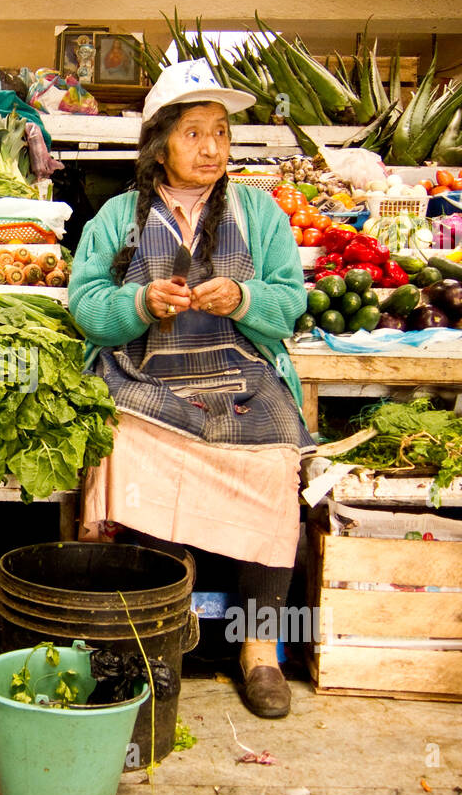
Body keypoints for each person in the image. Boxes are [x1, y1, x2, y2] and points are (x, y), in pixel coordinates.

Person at [69, 60, 312, 719]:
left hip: (239, 378)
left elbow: (289, 303)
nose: (212, 148)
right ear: (161, 146)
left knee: (273, 459)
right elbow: (87, 305)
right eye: (195, 133)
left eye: (221, 133)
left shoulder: (258, 213)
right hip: (147, 376)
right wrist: (142, 303)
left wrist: (244, 296)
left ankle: (260, 648)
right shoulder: (118, 215)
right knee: (134, 449)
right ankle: (162, 633)